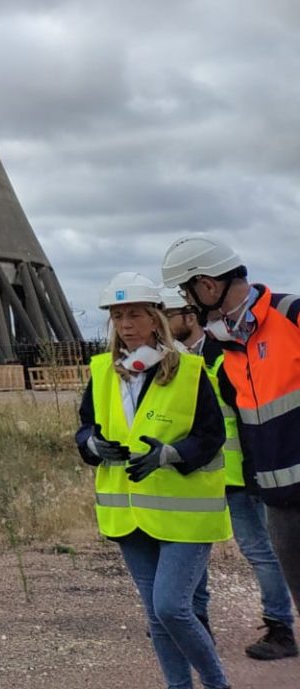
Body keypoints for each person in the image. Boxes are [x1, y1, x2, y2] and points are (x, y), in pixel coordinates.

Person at [77, 271, 231, 689]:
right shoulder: (103, 371)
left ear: (155, 318)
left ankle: (218, 682)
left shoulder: (190, 370)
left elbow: (211, 435)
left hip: (184, 514)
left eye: (134, 314)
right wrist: (93, 445)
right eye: (118, 315)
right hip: (129, 512)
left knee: (171, 608)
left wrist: (170, 454)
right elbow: (85, 427)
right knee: (156, 616)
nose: (125, 324)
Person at [163, 235, 300, 616]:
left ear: (207, 285)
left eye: (188, 295)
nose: (189, 305)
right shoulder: (232, 346)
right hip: (278, 497)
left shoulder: (291, 314)